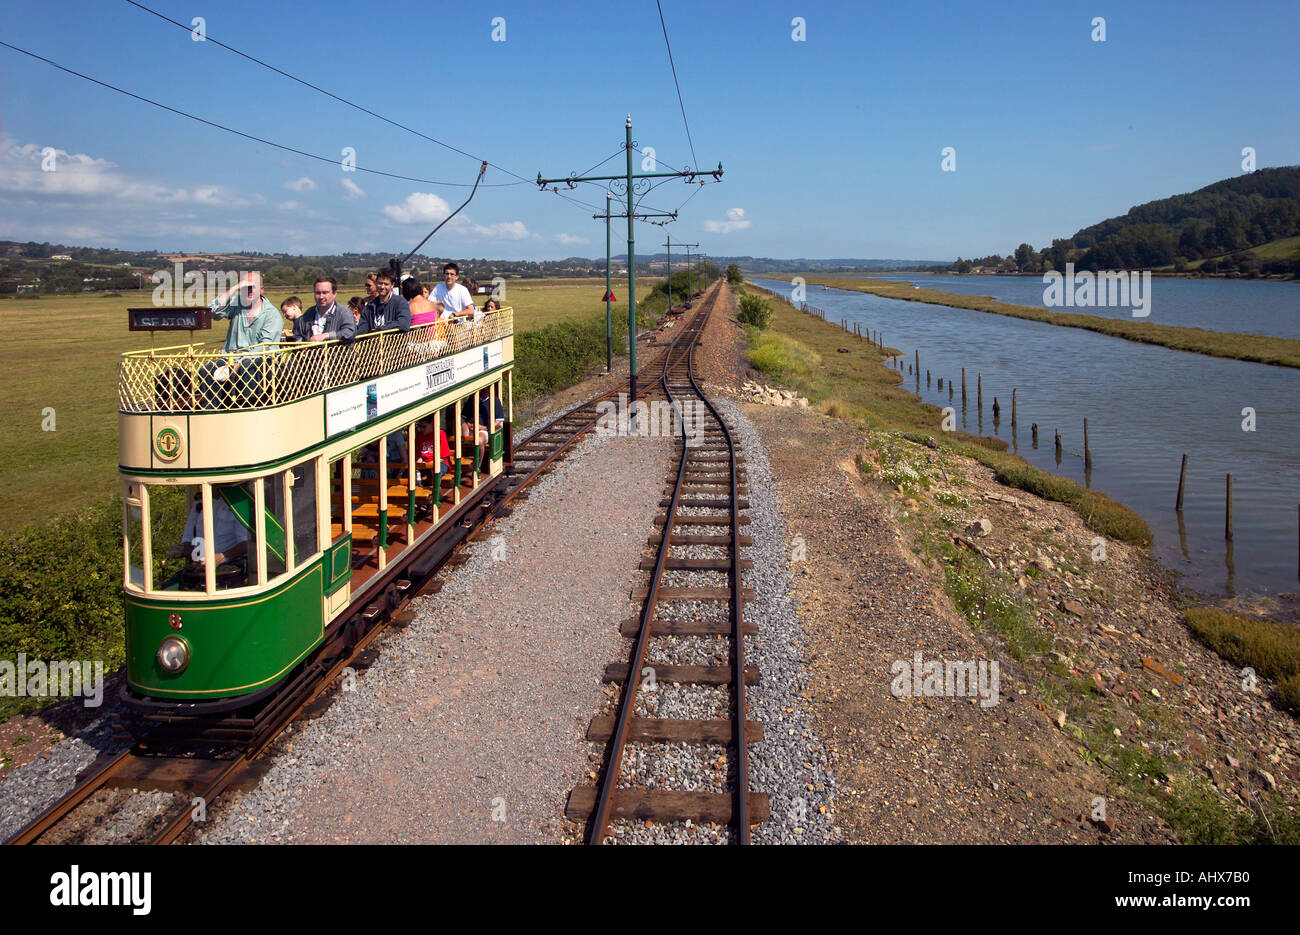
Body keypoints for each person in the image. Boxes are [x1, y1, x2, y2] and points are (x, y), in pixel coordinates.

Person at [207, 271, 281, 405]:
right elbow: (213, 312)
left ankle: (250, 408)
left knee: (247, 369)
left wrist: (238, 364)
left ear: (262, 289)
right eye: (245, 287)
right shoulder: (237, 304)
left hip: (262, 360)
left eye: (253, 286)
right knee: (206, 371)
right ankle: (211, 410)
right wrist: (234, 288)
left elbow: (265, 346)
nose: (249, 290)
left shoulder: (272, 314)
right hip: (230, 358)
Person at [291, 276, 356, 342]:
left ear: (334, 294)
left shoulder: (344, 312)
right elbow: (298, 334)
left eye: (325, 293)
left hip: (337, 352)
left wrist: (326, 336)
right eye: (318, 293)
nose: (321, 297)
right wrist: (301, 344)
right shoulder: (308, 314)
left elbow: (350, 332)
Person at [356, 269, 411, 334]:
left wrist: (380, 329)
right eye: (380, 283)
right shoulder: (370, 306)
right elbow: (362, 328)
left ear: (392, 285)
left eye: (386, 284)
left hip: (394, 342)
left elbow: (404, 324)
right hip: (374, 343)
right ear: (376, 283)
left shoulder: (400, 302)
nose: (382, 287)